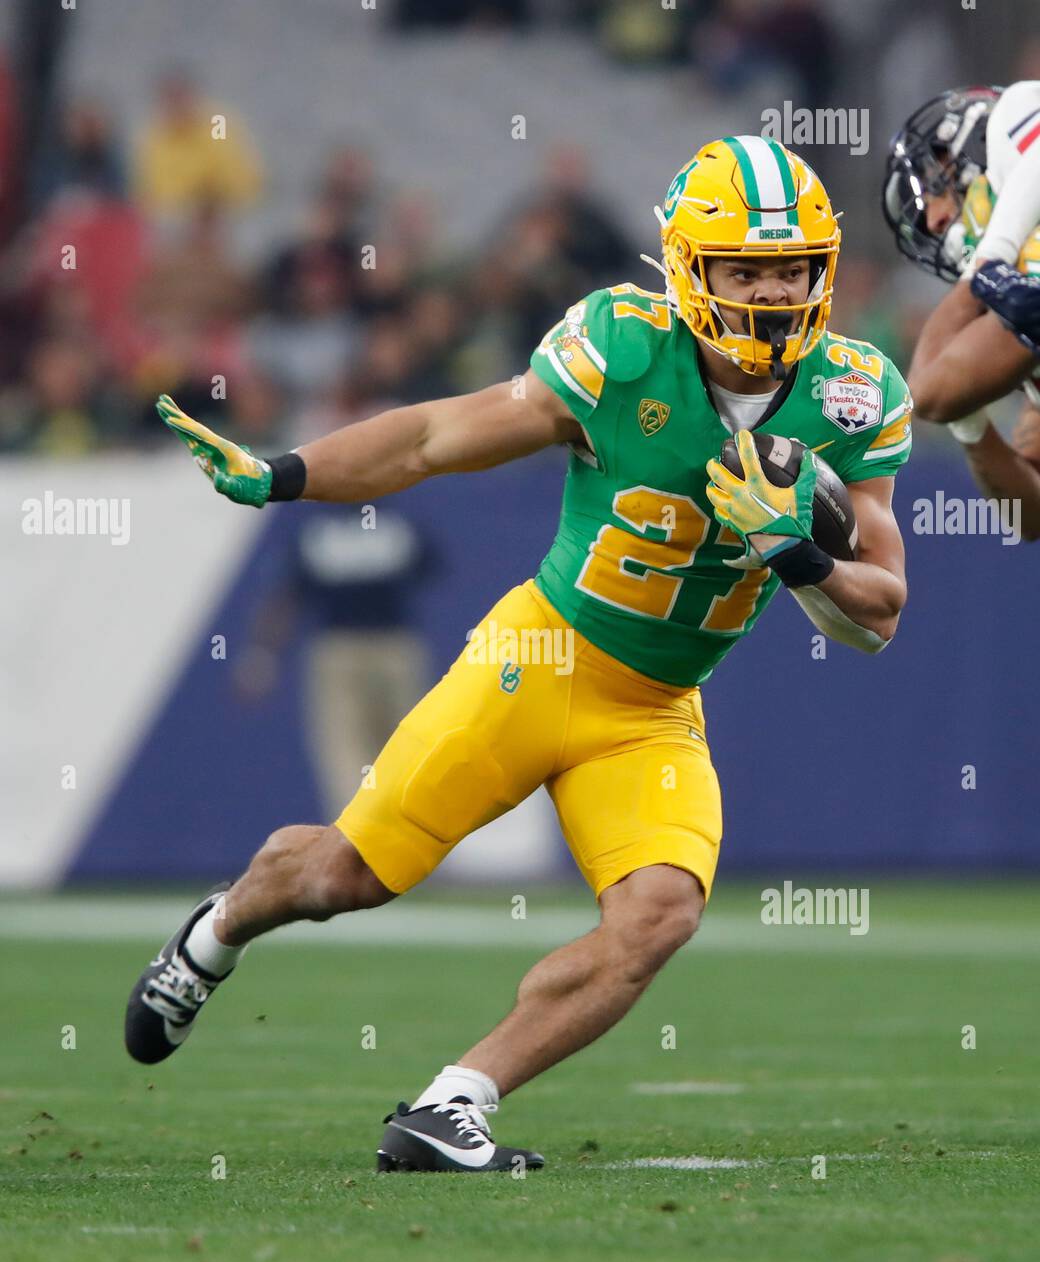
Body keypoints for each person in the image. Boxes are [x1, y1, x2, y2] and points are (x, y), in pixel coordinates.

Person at [125, 137, 910, 1173]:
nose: (770, 291)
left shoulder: (854, 393)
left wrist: (795, 551)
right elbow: (433, 438)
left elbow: (876, 614)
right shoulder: (620, 347)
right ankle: (211, 937)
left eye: (789, 266)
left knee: (659, 911)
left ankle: (453, 1103)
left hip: (656, 706)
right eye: (743, 268)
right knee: (343, 875)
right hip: (541, 656)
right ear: (687, 267)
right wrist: (286, 473)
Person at [883, 84, 1040, 534]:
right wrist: (968, 421)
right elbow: (1030, 517)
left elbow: (928, 392)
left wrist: (989, 260)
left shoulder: (1014, 114)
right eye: (922, 222)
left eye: (933, 186)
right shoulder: (1020, 290)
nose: (933, 221)